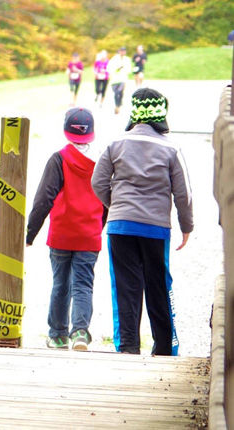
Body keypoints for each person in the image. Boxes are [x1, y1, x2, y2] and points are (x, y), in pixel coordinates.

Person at [90, 88, 193, 356]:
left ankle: (127, 347)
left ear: (134, 113)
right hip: (156, 228)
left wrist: (117, 207)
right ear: (161, 115)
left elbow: (98, 182)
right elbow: (184, 194)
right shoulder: (171, 148)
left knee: (125, 286)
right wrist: (186, 226)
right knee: (159, 284)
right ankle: (163, 347)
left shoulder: (115, 143)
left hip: (120, 226)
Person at [26, 108, 106, 351]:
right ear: (91, 133)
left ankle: (58, 335)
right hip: (89, 234)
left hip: (61, 233)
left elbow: (44, 199)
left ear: (66, 131)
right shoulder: (102, 161)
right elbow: (107, 198)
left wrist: (30, 233)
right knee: (83, 284)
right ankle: (80, 332)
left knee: (60, 284)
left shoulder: (59, 159)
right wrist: (98, 225)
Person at [107, 47, 132, 114]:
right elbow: (109, 68)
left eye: (124, 51)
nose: (122, 52)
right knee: (116, 92)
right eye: (121, 51)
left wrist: (123, 70)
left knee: (119, 91)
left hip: (122, 79)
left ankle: (117, 106)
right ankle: (118, 104)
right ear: (119, 51)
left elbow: (129, 69)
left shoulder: (127, 59)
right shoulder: (114, 59)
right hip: (114, 79)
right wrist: (117, 69)